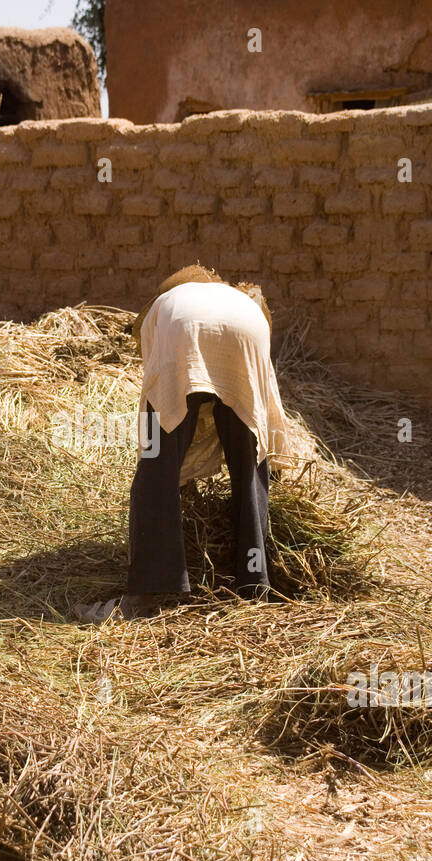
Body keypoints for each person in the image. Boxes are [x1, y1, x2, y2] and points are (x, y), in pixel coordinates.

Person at [78, 265, 294, 622]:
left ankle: (143, 596)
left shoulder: (163, 309)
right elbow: (248, 409)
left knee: (154, 468)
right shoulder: (242, 301)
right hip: (250, 331)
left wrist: (171, 461)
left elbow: (169, 405)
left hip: (183, 332)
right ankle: (255, 586)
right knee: (249, 463)